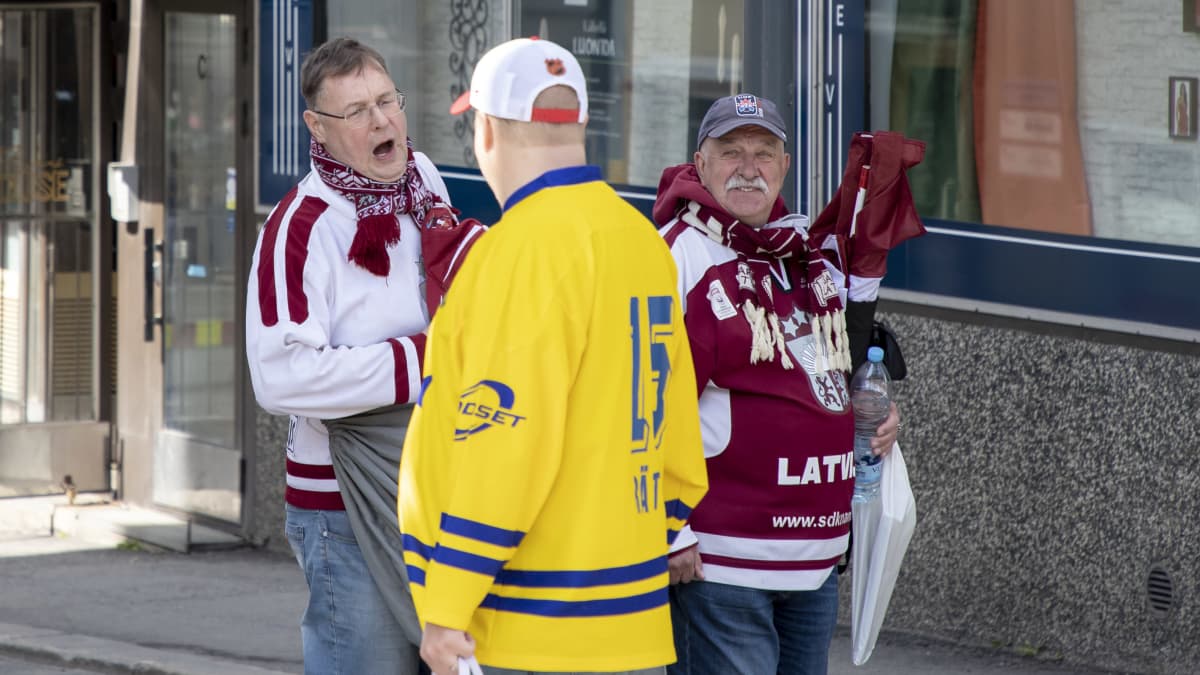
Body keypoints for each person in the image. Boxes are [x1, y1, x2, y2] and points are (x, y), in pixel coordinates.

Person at [398, 37, 709, 675]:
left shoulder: (516, 251)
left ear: (486, 130)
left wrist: (448, 606)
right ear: (583, 125)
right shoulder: (643, 240)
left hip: (529, 629)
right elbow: (680, 440)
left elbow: (501, 443)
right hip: (631, 617)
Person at [246, 37, 482, 675]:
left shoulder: (424, 178)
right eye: (356, 112)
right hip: (341, 506)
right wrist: (418, 362)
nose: (381, 122)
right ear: (317, 128)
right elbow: (279, 377)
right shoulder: (299, 226)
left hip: (437, 486)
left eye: (387, 102)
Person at [651, 93, 901, 675]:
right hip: (722, 563)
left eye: (764, 153)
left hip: (813, 560)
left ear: (785, 167)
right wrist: (670, 528)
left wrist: (871, 419)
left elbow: (827, 374)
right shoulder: (677, 256)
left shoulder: (803, 257)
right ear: (700, 162)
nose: (748, 167)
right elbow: (645, 402)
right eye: (730, 151)